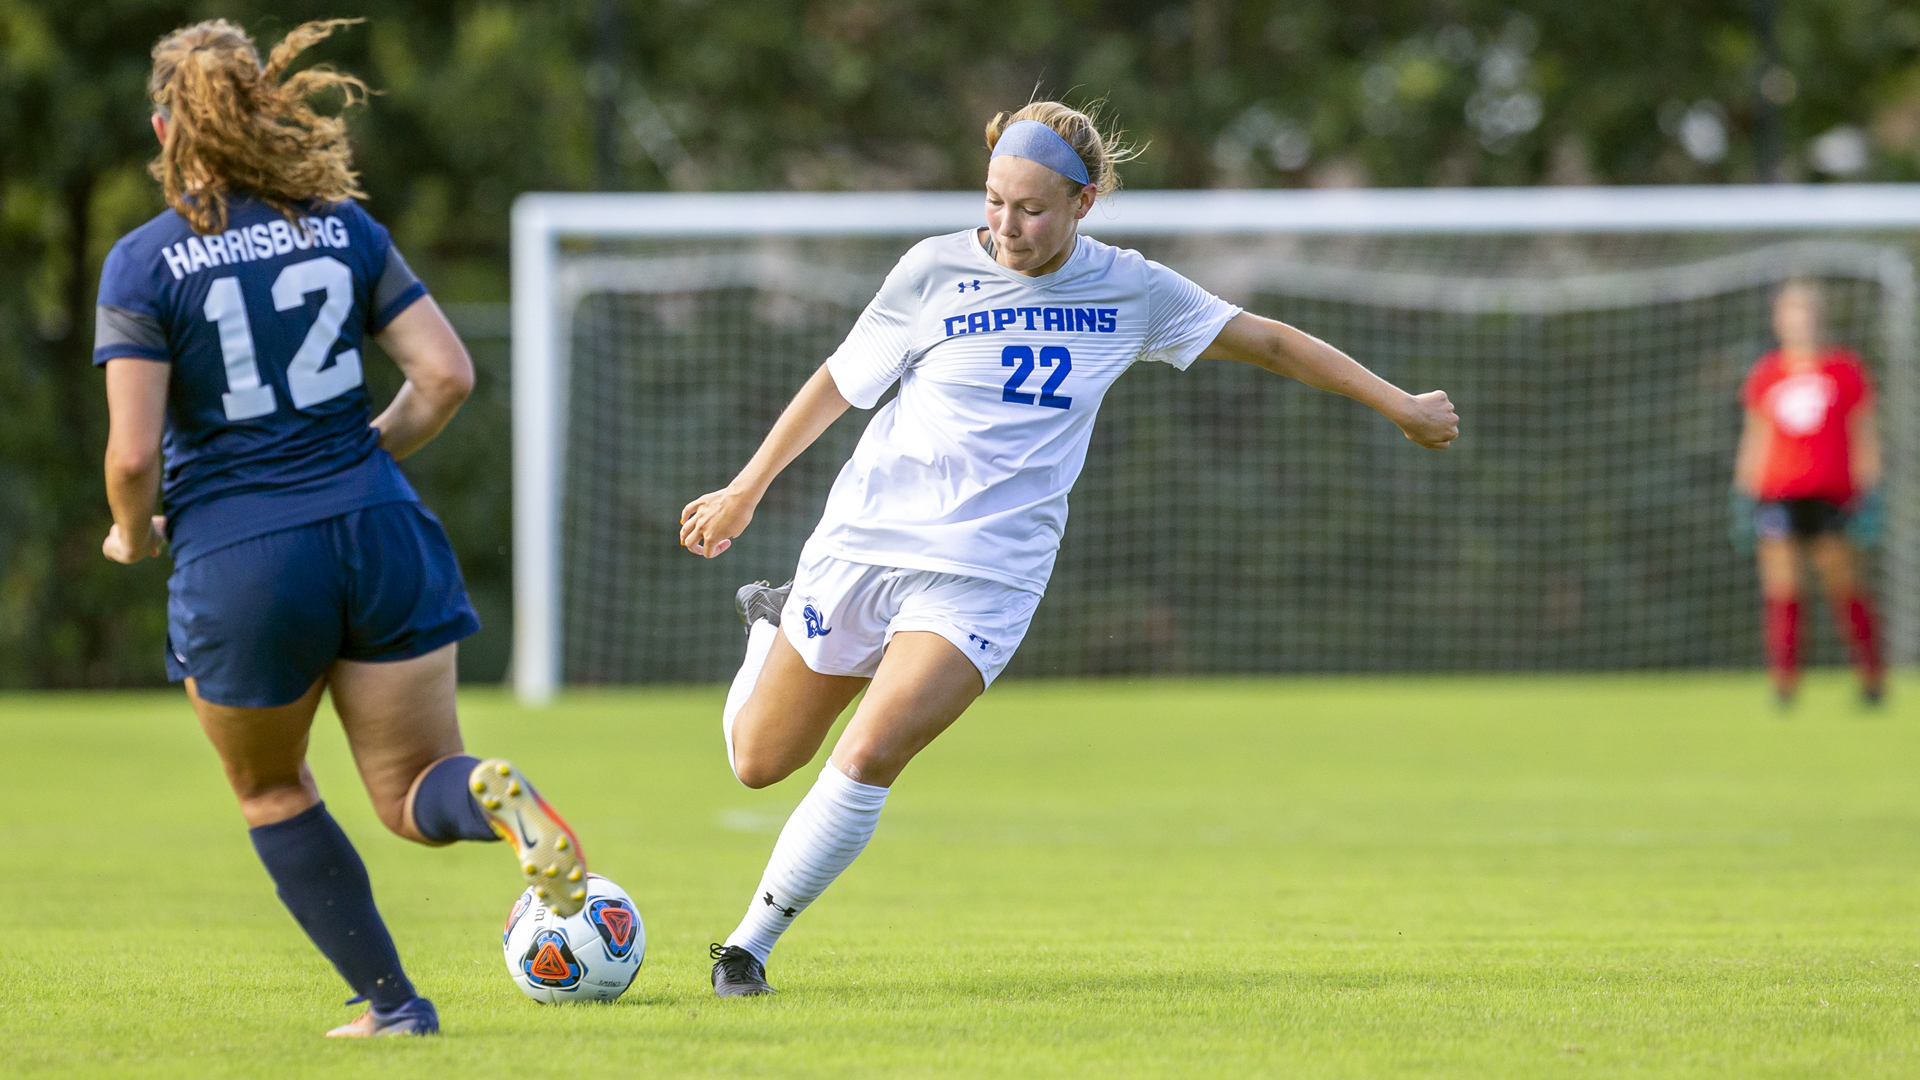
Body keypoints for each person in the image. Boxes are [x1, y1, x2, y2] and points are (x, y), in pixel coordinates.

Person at [679, 101, 1460, 997]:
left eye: (1031, 209)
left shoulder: (1133, 289)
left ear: (1083, 203)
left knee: (868, 754)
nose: (1004, 226)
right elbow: (837, 383)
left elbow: (1272, 343)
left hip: (988, 576)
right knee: (759, 764)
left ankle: (747, 948)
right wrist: (748, 486)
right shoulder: (932, 270)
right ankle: (769, 627)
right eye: (993, 201)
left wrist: (1399, 404)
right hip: (865, 544)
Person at [95, 19, 588, 1037]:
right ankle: (494, 797)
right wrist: (363, 457)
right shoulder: (341, 227)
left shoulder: (144, 264)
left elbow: (134, 456)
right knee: (413, 789)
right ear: (272, 115)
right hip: (379, 526)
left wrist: (128, 533)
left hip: (243, 558)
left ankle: (396, 1008)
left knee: (273, 788)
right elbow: (446, 375)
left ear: (164, 128)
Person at [1731, 279, 1885, 707]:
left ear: (1819, 317)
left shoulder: (1844, 370)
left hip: (1833, 492)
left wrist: (1872, 491)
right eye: (1789, 312)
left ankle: (1871, 678)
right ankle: (1784, 685)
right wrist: (1742, 494)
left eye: (1805, 311)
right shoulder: (1766, 374)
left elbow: (1864, 435)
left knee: (1844, 584)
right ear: (1777, 320)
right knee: (1782, 587)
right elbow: (1755, 438)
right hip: (1778, 493)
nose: (1798, 320)